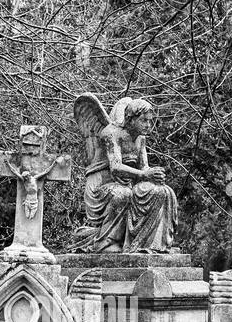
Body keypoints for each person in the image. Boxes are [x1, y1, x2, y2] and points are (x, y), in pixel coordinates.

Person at [72, 95, 179, 253]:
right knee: (124, 195)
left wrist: (155, 177)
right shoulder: (111, 133)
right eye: (144, 120)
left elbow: (144, 168)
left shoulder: (140, 139)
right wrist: (145, 176)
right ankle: (105, 242)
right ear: (130, 119)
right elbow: (115, 167)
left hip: (127, 184)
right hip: (101, 186)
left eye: (150, 121)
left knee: (162, 191)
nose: (148, 125)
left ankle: (146, 244)